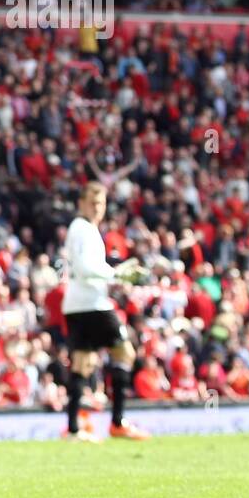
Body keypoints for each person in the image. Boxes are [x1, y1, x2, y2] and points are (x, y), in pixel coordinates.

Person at [61, 182, 151, 441]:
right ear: (81, 203)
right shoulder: (81, 228)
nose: (97, 207)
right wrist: (118, 274)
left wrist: (117, 270)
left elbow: (89, 265)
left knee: (82, 362)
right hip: (92, 303)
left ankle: (73, 428)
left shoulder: (86, 229)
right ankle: (118, 421)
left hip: (77, 304)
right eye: (92, 202)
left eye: (100, 203)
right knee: (125, 352)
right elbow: (85, 267)